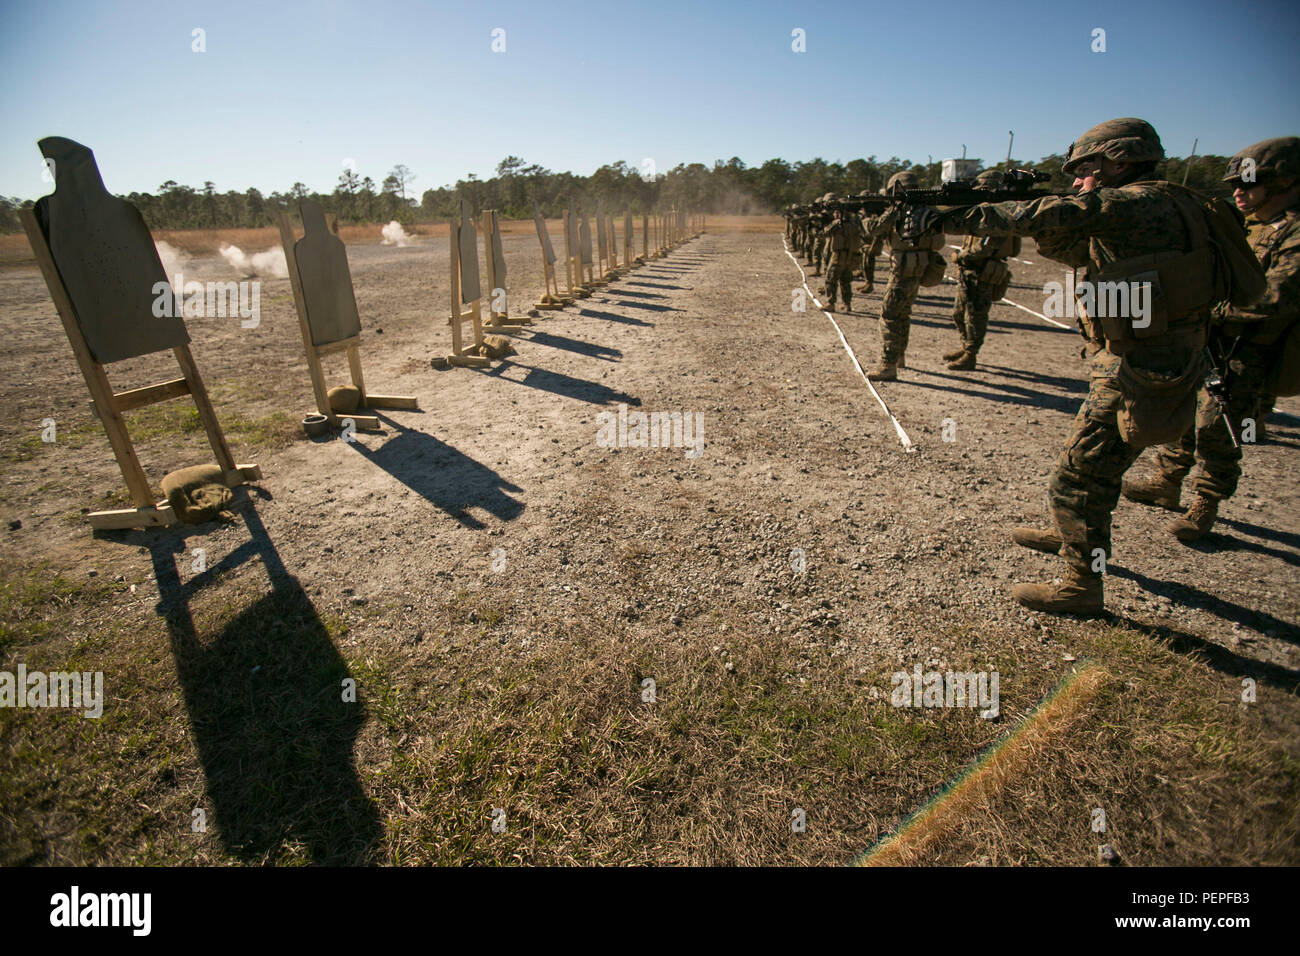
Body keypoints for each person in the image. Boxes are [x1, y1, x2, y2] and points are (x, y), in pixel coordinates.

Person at [942, 117, 1240, 615]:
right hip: (1149, 357)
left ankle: (1083, 583)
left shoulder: (1138, 201)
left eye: (1085, 168)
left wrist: (951, 216)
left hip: (1139, 366)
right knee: (1087, 466)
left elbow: (1053, 212)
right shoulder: (1173, 203)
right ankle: (1069, 534)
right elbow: (1076, 246)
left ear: (1119, 161)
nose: (1078, 180)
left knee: (1080, 476)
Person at [1121, 136, 1299, 540]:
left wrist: (1205, 308)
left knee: (1218, 424)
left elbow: (1272, 298)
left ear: (1286, 182)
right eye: (1235, 183)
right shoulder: (1248, 225)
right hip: (1212, 338)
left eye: (1250, 183)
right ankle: (1167, 480)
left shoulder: (1294, 234)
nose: (1238, 192)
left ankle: (1206, 500)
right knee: (1185, 409)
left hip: (1249, 348)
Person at [863, 171, 946, 381]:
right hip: (920, 269)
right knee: (903, 313)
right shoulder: (928, 210)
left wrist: (866, 217)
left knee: (889, 315)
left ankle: (888, 364)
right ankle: (899, 356)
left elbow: (874, 229)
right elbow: (939, 242)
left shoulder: (899, 211)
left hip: (902, 271)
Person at [944, 169, 1021, 370]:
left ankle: (971, 354)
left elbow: (986, 247)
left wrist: (960, 256)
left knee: (976, 315)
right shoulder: (982, 213)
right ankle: (966, 346)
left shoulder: (1000, 216)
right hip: (970, 271)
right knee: (958, 314)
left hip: (984, 271)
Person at [821, 203, 867, 312]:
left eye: (836, 212)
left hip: (838, 256)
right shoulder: (854, 224)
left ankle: (830, 303)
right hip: (850, 256)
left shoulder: (837, 224)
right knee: (845, 281)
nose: (834, 214)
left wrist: (829, 222)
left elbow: (824, 233)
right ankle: (847, 304)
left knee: (831, 279)